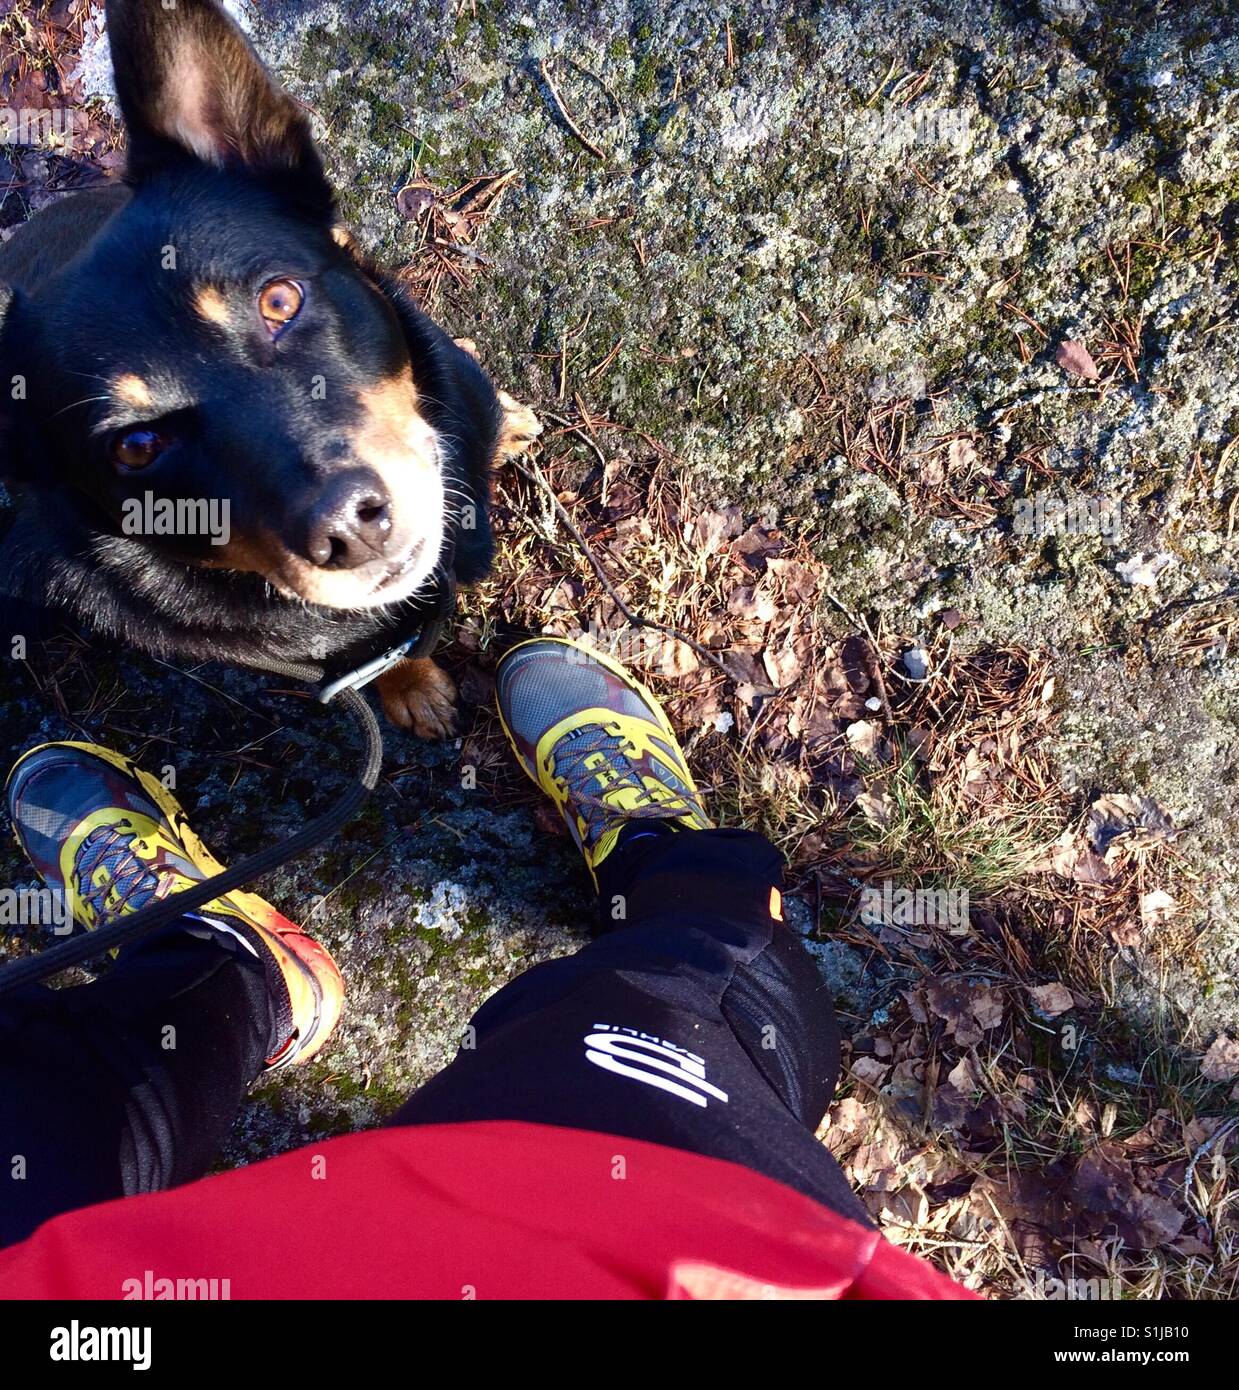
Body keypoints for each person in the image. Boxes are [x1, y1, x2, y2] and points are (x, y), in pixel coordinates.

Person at [0, 638, 970, 1299]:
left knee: (55, 1093)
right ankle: (662, 863)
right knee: (690, 976)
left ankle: (227, 971)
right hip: (659, 1238)